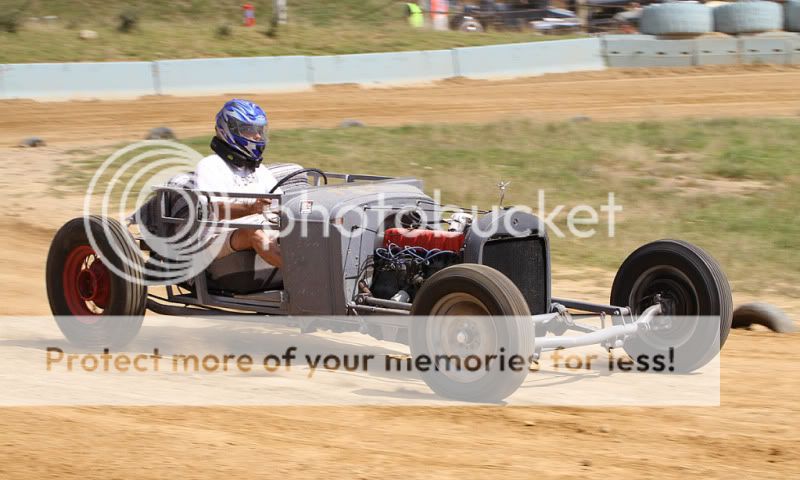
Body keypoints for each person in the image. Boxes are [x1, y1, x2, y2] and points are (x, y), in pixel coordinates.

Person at [195, 99, 283, 268]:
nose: (257, 136)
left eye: (259, 130)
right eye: (249, 130)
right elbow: (215, 210)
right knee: (253, 232)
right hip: (217, 238)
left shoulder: (259, 169)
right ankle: (306, 279)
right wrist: (251, 208)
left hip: (261, 226)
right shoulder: (210, 165)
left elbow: (282, 202)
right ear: (230, 130)